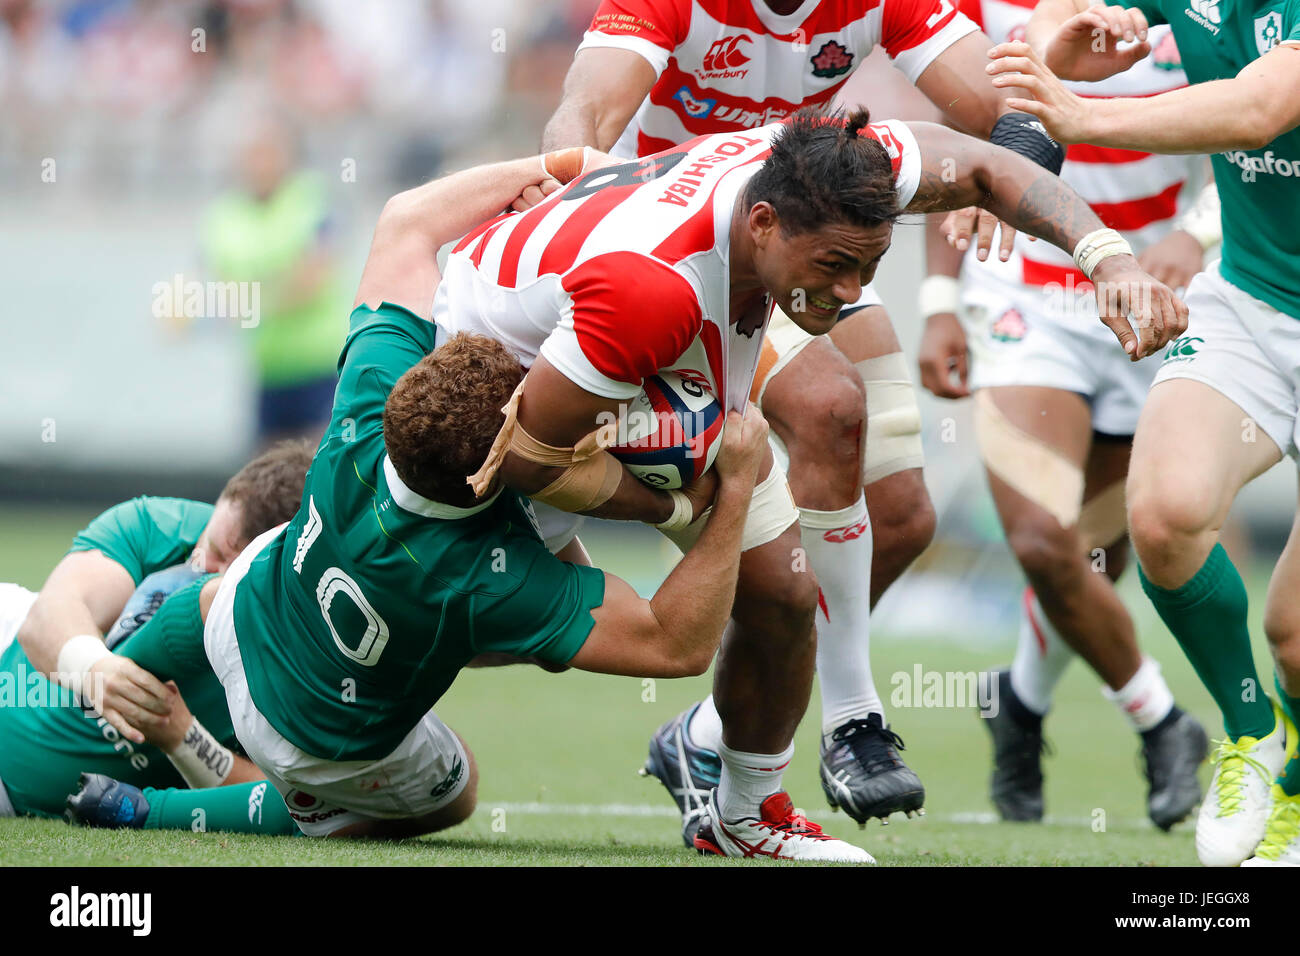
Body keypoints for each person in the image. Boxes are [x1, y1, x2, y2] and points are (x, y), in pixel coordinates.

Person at [434, 106, 1186, 856]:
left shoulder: (837, 167)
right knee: (459, 632)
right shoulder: (649, 288)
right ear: (762, 223)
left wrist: (1107, 258)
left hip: (661, 339)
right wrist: (674, 504)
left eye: (870, 265)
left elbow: (990, 164)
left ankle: (750, 810)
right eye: (834, 267)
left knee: (789, 591)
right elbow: (529, 454)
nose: (850, 290)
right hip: (505, 401)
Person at [541, 0, 1074, 826]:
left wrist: (1001, 177)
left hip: (806, 247)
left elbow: (1016, 120)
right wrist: (573, 205)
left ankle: (708, 732)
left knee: (901, 516)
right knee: (830, 406)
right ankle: (854, 720)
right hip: (698, 260)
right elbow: (585, 116)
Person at [180, 151, 792, 856]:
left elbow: (404, 223)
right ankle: (197, 796)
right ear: (501, 466)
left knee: (201, 588)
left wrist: (559, 164)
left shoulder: (367, 396)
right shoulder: (489, 576)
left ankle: (127, 658)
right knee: (459, 785)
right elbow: (678, 643)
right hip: (315, 746)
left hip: (242, 614)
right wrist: (735, 488)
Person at [988, 0, 1300, 865]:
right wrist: (1062, 59)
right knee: (1161, 520)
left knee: (1296, 633)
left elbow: (1260, 107)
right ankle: (1249, 734)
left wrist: (1081, 113)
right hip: (1252, 297)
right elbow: (1055, 18)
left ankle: (1299, 793)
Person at [915, 0, 1212, 828]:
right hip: (1022, 297)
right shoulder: (981, 10)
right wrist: (940, 300)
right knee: (1045, 539)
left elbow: (1253, 137)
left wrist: (1196, 231)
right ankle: (1165, 721)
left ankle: (1016, 703)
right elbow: (953, 146)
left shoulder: (1190, 16)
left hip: (1144, 297)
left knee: (1090, 560)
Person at [0, 442, 312, 832]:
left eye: (228, 573)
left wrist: (184, 738)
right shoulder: (168, 525)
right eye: (211, 549)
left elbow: (293, 803)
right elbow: (47, 616)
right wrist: (98, 671)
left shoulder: (297, 659)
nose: (207, 573)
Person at [201, 114, 347, 447]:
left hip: (320, 367)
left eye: (267, 152)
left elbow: (312, 278)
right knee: (267, 479)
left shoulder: (313, 198)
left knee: (317, 468)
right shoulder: (223, 214)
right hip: (268, 372)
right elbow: (219, 287)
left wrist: (253, 302)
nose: (259, 164)